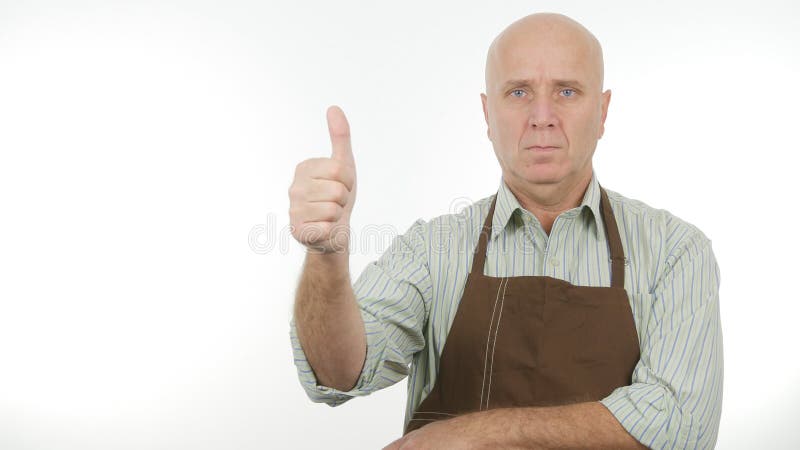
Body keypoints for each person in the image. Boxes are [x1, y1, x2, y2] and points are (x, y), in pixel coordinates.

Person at [288, 12, 723, 449]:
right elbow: (338, 372)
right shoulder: (430, 250)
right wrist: (326, 256)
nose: (542, 117)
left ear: (603, 111)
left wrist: (474, 435)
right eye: (518, 92)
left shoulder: (674, 251)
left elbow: (680, 425)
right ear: (487, 114)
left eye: (567, 91)